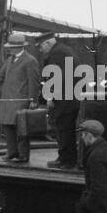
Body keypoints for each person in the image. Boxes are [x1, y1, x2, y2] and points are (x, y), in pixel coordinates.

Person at [0, 31, 40, 163]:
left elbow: (34, 82)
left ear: (19, 47)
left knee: (22, 128)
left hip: (21, 100)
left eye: (11, 47)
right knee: (7, 126)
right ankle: (12, 153)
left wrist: (33, 100)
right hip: (7, 99)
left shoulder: (30, 61)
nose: (9, 49)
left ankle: (23, 155)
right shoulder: (10, 60)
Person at [38, 34, 84, 169]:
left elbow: (57, 77)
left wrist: (50, 97)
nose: (40, 50)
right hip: (72, 97)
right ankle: (67, 158)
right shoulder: (65, 50)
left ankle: (66, 160)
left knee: (63, 127)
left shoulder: (57, 54)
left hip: (64, 99)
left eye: (40, 47)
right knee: (66, 128)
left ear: (47, 43)